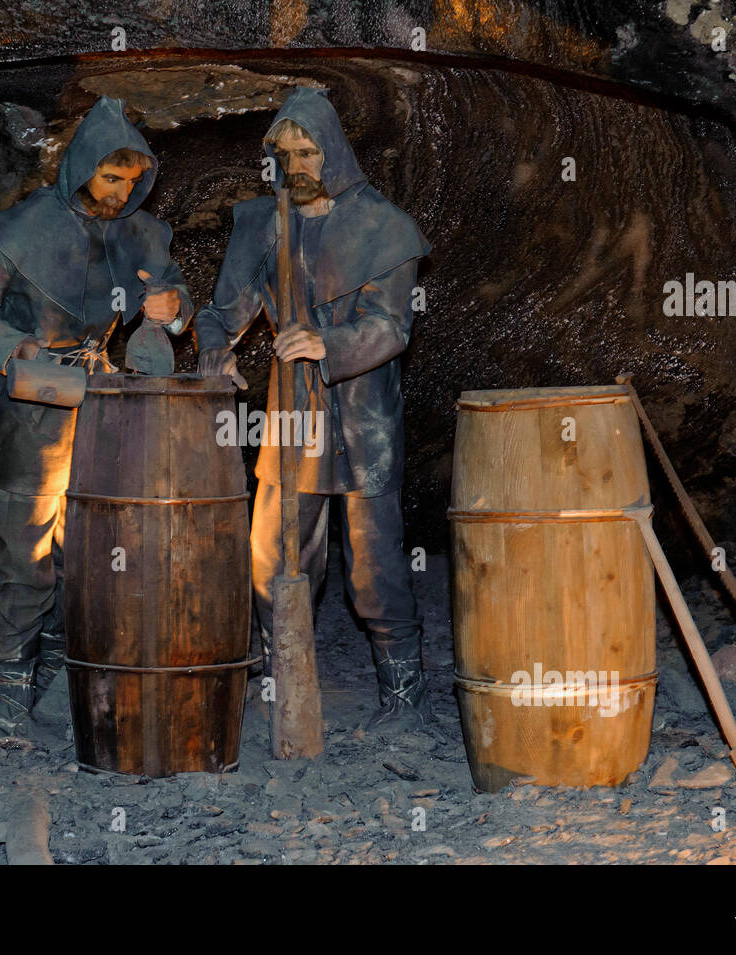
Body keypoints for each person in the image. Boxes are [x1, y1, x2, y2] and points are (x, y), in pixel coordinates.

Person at [0, 95, 192, 734]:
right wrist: (15, 348)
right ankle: (7, 685)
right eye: (111, 178)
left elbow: (176, 290)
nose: (122, 192)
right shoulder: (12, 231)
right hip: (29, 408)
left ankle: (62, 670)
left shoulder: (139, 231)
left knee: (91, 547)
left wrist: (170, 307)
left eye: (134, 181)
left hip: (103, 403)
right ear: (80, 166)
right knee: (27, 556)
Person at [194, 86, 434, 733]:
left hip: (363, 416)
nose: (296, 164)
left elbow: (391, 327)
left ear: (332, 153)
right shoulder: (262, 225)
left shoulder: (385, 228)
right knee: (271, 550)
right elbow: (222, 313)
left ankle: (403, 691)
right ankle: (282, 674)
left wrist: (326, 342)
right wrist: (215, 351)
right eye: (285, 152)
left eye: (308, 151)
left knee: (376, 560)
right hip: (291, 415)